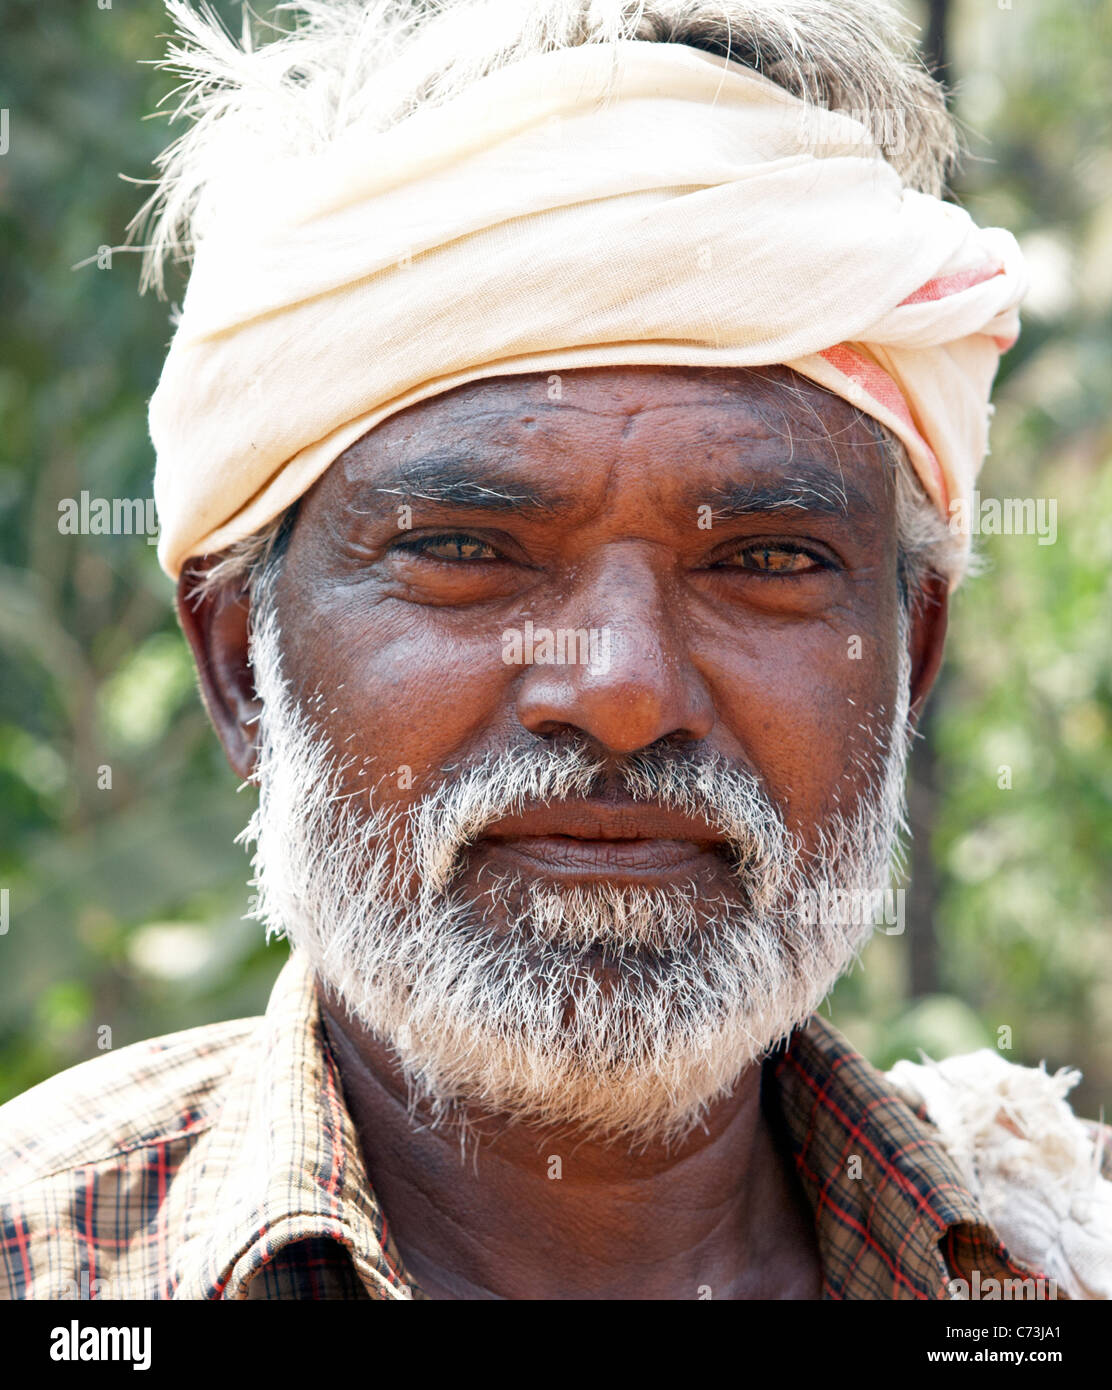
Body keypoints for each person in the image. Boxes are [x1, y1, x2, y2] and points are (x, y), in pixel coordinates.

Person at [1, 0, 1108, 1301]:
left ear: (911, 659)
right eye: (467, 550)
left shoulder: (1056, 1263)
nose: (625, 690)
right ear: (242, 662)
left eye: (761, 561)